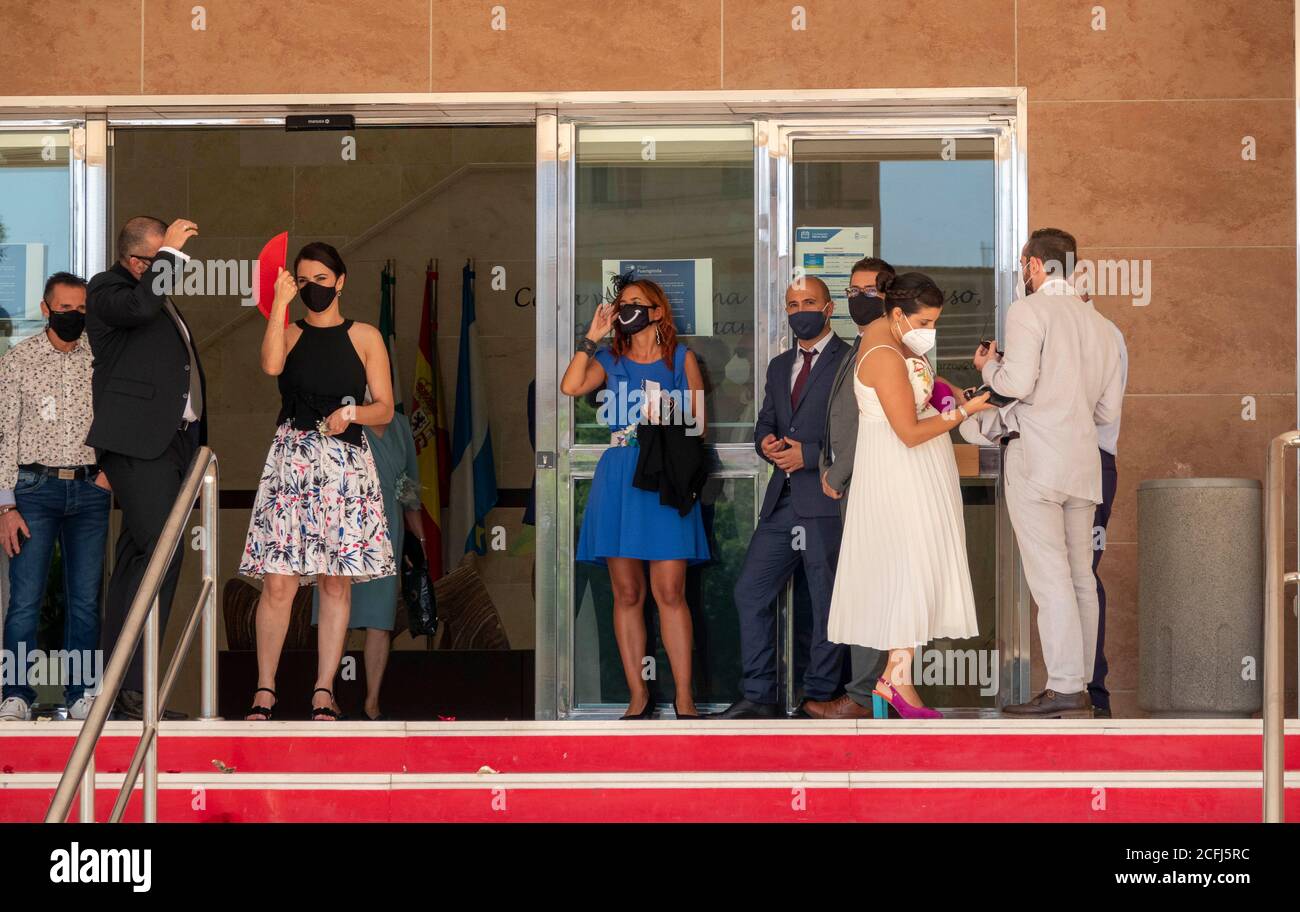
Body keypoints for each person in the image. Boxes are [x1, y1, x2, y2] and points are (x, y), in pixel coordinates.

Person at [239, 242, 396, 721]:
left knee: (335, 583)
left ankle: (324, 689)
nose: (313, 289)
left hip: (345, 465)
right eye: (303, 281)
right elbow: (269, 366)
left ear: (341, 281)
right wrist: (279, 304)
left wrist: (351, 412)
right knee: (279, 582)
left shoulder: (365, 335)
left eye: (321, 281)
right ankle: (265, 689)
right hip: (292, 460)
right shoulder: (287, 331)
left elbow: (386, 408)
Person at [824, 272, 989, 718]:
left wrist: (960, 392)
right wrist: (964, 411)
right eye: (927, 321)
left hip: (921, 472)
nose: (930, 331)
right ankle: (896, 679)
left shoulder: (898, 342)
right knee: (909, 568)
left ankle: (896, 674)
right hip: (900, 473)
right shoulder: (881, 353)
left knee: (918, 569)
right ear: (898, 315)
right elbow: (911, 432)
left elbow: (927, 393)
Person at [975, 228, 1124, 717]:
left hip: (1037, 458)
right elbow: (1106, 412)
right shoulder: (1103, 326)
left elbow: (1015, 382)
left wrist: (988, 370)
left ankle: (1063, 687)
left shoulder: (1029, 311)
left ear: (1034, 263)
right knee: (1081, 577)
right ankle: (1078, 686)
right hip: (1084, 464)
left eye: (1024, 265)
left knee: (1051, 577)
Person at [561, 275, 709, 720]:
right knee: (626, 593)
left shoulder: (681, 358)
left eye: (637, 303)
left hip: (664, 477)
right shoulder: (609, 358)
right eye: (622, 304)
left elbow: (700, 423)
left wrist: (665, 412)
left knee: (670, 590)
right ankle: (638, 695)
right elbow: (570, 387)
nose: (628, 310)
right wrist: (591, 337)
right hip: (620, 476)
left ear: (658, 311)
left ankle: (684, 698)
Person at [711, 276, 850, 720]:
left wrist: (808, 455)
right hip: (783, 501)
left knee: (826, 600)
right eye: (792, 304)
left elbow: (861, 431)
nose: (799, 311)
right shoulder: (778, 365)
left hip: (826, 497)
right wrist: (766, 443)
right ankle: (760, 694)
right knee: (751, 591)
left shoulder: (851, 361)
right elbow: (765, 421)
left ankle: (820, 696)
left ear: (829, 309)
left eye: (809, 302)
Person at [85, 216, 206, 721]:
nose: (168, 267)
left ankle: (123, 689)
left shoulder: (148, 291)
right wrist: (171, 258)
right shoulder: (107, 289)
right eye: (158, 259)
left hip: (170, 445)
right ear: (137, 260)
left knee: (140, 558)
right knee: (162, 554)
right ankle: (131, 692)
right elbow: (138, 309)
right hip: (140, 446)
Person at [0, 273, 109, 722]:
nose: (73, 317)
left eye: (81, 309)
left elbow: (120, 417)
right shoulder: (18, 360)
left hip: (90, 490)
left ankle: (82, 692)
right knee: (25, 598)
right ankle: (15, 694)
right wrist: (6, 505)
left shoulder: (101, 358)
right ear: (46, 310)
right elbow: (4, 433)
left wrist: (111, 473)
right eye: (64, 309)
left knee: (84, 599)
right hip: (33, 492)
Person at [803, 257, 895, 720]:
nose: (860, 298)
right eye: (854, 290)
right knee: (863, 589)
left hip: (870, 484)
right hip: (854, 485)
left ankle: (864, 697)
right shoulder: (863, 343)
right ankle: (871, 694)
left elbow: (873, 425)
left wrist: (837, 474)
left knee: (870, 590)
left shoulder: (887, 347)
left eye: (870, 290)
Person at [310, 409, 423, 721]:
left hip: (387, 527)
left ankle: (372, 703)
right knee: (336, 609)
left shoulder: (400, 423)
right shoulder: (341, 415)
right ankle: (326, 693)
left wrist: (421, 541)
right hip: (343, 524)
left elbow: (410, 483)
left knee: (380, 619)